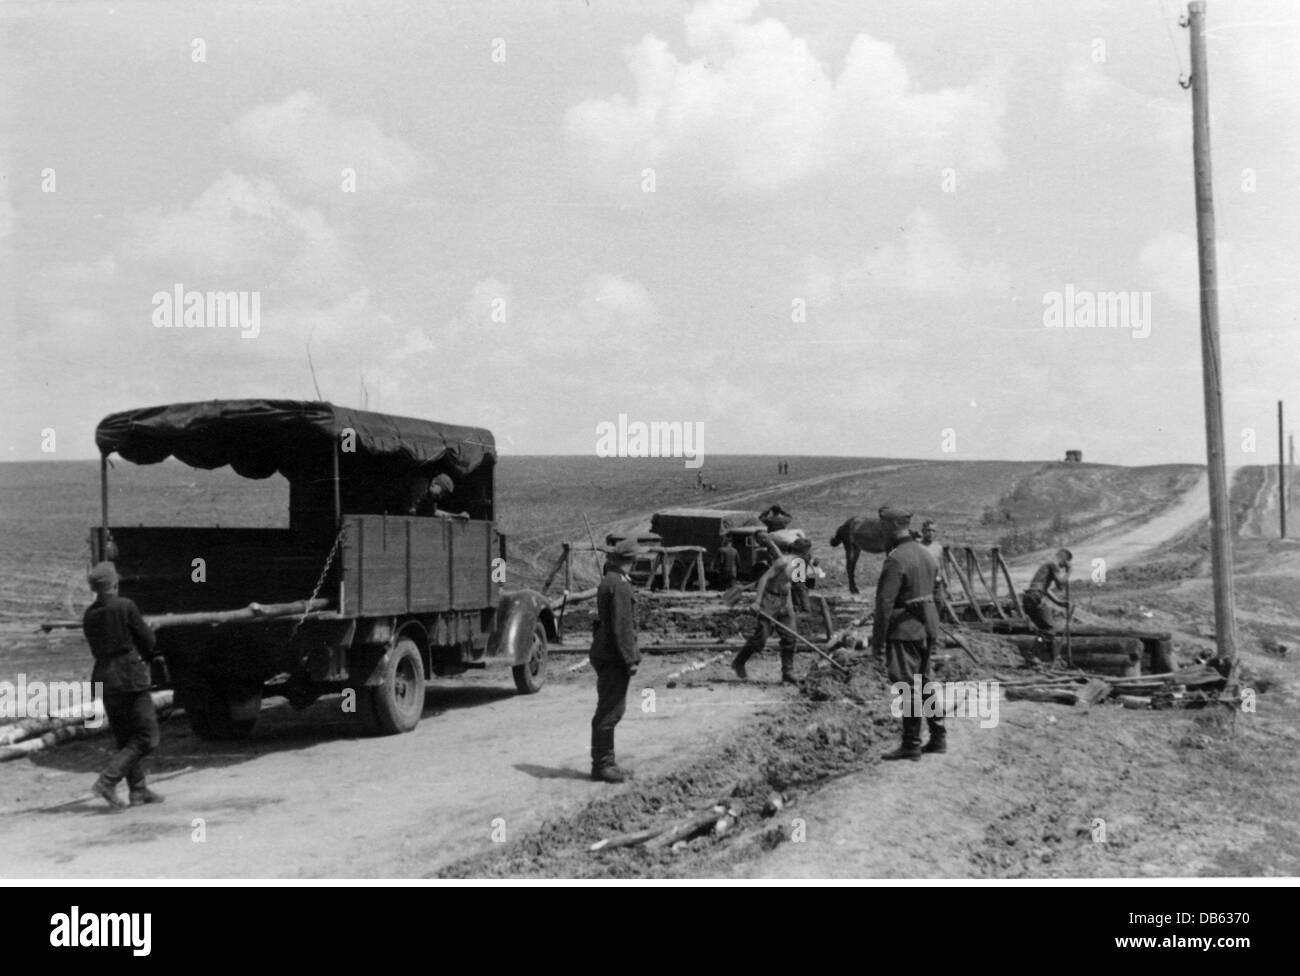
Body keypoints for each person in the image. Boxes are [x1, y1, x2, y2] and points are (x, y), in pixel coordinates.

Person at [82, 562, 164, 808]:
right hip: (129, 678)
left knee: (125, 737)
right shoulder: (126, 606)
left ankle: (138, 791)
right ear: (114, 584)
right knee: (147, 737)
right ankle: (107, 782)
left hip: (104, 679)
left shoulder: (89, 614)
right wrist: (151, 637)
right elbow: (147, 641)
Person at [870, 506, 943, 761]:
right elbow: (938, 595)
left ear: (890, 527)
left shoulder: (896, 558)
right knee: (924, 683)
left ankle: (911, 744)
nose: (880, 531)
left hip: (904, 631)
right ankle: (938, 737)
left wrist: (877, 646)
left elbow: (883, 606)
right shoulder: (926, 554)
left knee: (906, 686)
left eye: (881, 526)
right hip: (927, 628)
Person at [589, 538, 643, 783]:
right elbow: (622, 627)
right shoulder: (619, 585)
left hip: (607, 653)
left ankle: (607, 762)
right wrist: (630, 659)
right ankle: (602, 765)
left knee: (610, 709)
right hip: (613, 656)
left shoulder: (611, 581)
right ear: (630, 560)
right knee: (610, 711)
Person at [731, 551, 801, 684]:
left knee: (790, 637)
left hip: (785, 601)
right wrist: (757, 602)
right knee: (761, 637)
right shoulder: (782, 562)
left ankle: (788, 672)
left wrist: (789, 606)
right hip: (770, 600)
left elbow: (789, 586)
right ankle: (739, 662)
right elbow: (764, 579)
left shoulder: (800, 565)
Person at [1022, 548, 1073, 657]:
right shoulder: (1053, 564)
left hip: (1029, 597)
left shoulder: (1047, 565)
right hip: (1035, 597)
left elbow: (1045, 589)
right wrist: (1069, 571)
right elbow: (1060, 585)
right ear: (1064, 560)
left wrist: (1059, 602)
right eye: (1064, 565)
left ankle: (1051, 658)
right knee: (1049, 629)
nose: (1062, 567)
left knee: (1045, 629)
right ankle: (1032, 654)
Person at [919, 519, 947, 603]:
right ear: (923, 531)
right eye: (928, 530)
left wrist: (943, 581)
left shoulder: (938, 547)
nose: (931, 533)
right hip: (923, 583)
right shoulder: (918, 547)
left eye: (933, 531)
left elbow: (941, 566)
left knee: (940, 603)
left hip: (937, 582)